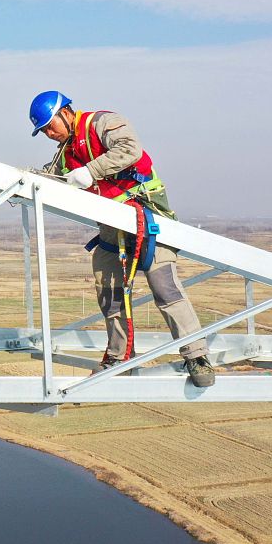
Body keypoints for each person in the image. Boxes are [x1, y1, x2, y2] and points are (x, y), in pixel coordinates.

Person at [29, 91, 215, 388]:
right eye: (45, 131)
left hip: (147, 216)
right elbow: (60, 183)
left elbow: (131, 150)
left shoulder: (102, 123)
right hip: (112, 227)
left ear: (65, 113)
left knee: (164, 287)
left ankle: (196, 354)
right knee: (109, 289)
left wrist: (90, 172)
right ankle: (119, 356)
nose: (50, 134)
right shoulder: (66, 153)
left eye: (51, 126)